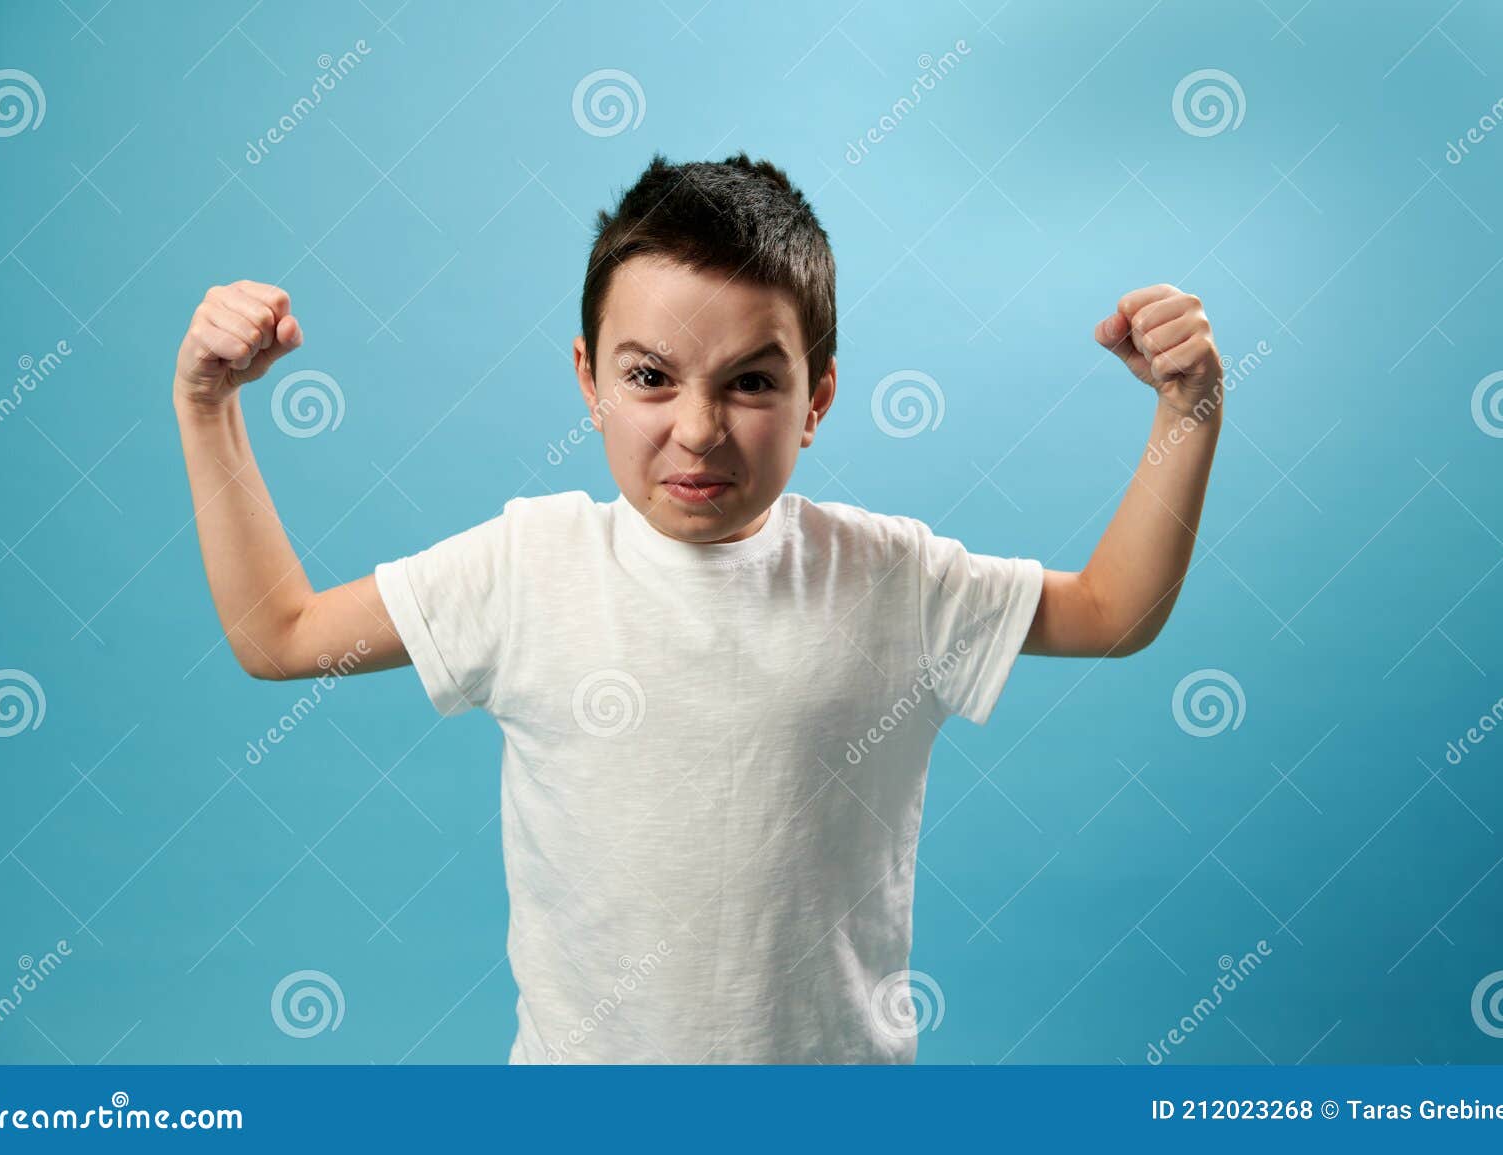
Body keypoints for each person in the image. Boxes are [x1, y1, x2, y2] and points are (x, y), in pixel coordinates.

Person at [170, 152, 1224, 1063]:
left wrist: (1190, 409)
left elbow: (1113, 611)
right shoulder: (527, 566)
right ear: (589, 380)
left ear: (816, 398)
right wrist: (208, 406)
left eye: (751, 383)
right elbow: (281, 634)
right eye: (650, 377)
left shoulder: (890, 577)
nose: (698, 429)